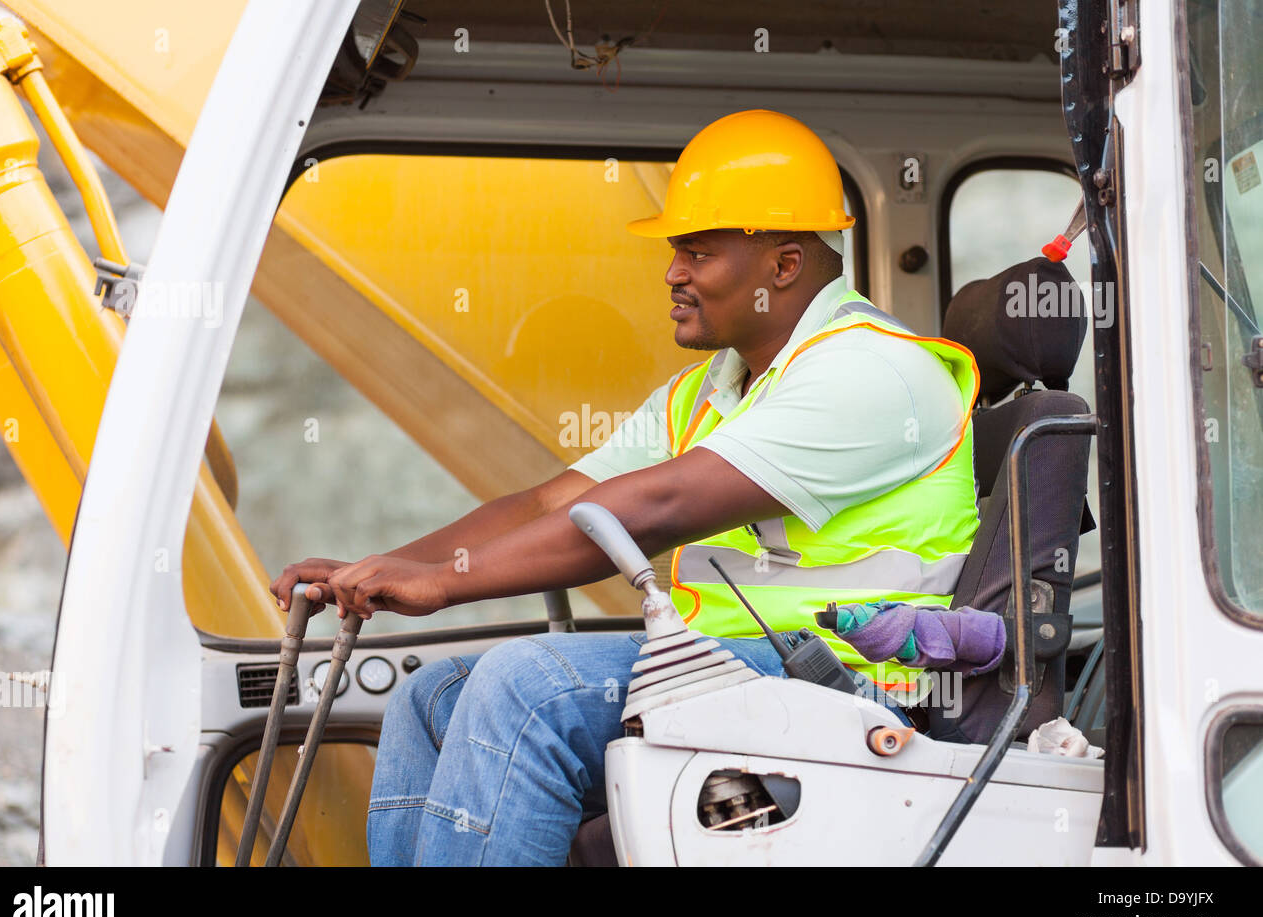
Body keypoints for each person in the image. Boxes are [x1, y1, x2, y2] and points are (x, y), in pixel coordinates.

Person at [270, 109, 980, 866]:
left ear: (783, 265)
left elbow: (655, 508)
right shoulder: (709, 390)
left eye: (698, 253)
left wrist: (444, 584)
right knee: (430, 697)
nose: (673, 273)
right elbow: (548, 502)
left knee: (525, 688)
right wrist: (378, 570)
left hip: (855, 688)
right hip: (747, 667)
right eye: (677, 251)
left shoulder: (871, 373)